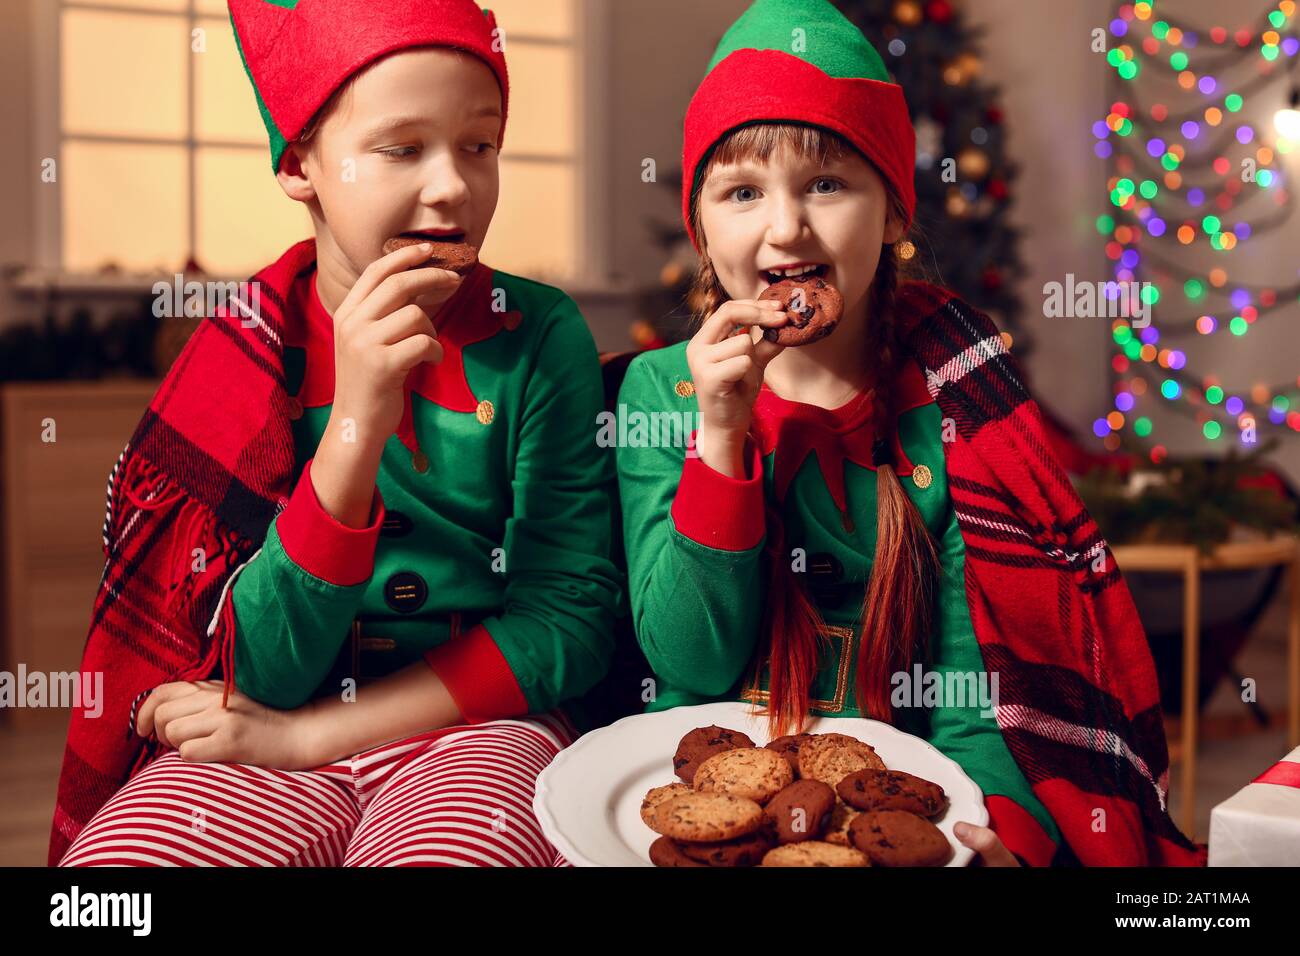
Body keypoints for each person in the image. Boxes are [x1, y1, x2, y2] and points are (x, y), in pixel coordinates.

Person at [615, 0, 1206, 866]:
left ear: (894, 214)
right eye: (742, 191)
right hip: (697, 794)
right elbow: (689, 659)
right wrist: (721, 435)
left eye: (827, 183)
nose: (785, 227)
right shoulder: (658, 392)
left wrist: (984, 834)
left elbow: (983, 702)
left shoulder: (953, 411)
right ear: (702, 229)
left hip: (885, 803)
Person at [51, 0, 622, 867]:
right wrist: (354, 428)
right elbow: (262, 671)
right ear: (298, 165)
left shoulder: (539, 336)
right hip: (258, 721)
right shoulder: (241, 351)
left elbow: (566, 625)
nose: (452, 186)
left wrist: (310, 738)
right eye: (402, 148)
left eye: (480, 145)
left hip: (477, 725)